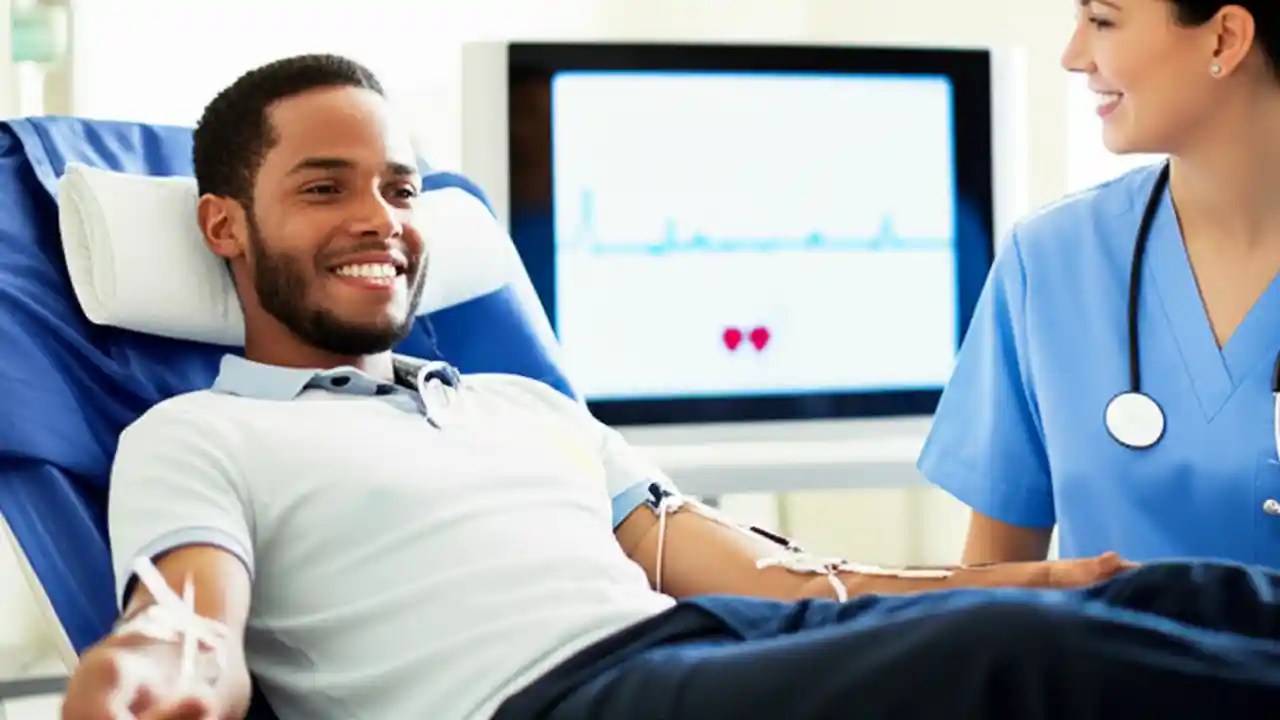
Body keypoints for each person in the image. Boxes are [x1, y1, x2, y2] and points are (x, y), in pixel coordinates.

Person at [57, 53, 1280, 720]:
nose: (378, 219)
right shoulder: (197, 433)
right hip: (555, 698)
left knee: (1167, 596)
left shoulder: (518, 405)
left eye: (400, 189)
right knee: (1022, 663)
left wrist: (1019, 575)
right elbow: (189, 625)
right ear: (223, 223)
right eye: (323, 188)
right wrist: (153, 680)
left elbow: (770, 578)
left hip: (710, 642)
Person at [918, 0, 1280, 567]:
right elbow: (991, 590)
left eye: (1103, 21)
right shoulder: (1050, 262)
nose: (1072, 57)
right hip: (1095, 660)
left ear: (1223, 40)